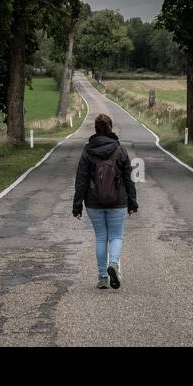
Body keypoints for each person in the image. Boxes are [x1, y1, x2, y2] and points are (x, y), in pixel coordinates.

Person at [72, 112, 139, 289]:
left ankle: (102, 277)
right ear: (110, 128)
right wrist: (132, 202)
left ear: (95, 129)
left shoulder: (88, 151)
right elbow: (128, 179)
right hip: (117, 201)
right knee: (116, 236)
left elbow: (81, 180)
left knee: (101, 237)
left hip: (93, 202)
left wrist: (77, 205)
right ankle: (114, 264)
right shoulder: (119, 150)